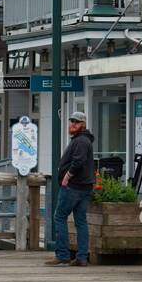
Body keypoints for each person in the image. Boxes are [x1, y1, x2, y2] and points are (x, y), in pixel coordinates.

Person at [47, 111, 95, 267]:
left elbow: (78, 161)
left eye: (77, 122)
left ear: (83, 125)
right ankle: (81, 257)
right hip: (84, 186)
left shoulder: (81, 141)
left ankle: (62, 255)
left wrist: (67, 176)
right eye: (72, 121)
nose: (73, 124)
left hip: (74, 187)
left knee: (59, 217)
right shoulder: (83, 140)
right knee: (81, 221)